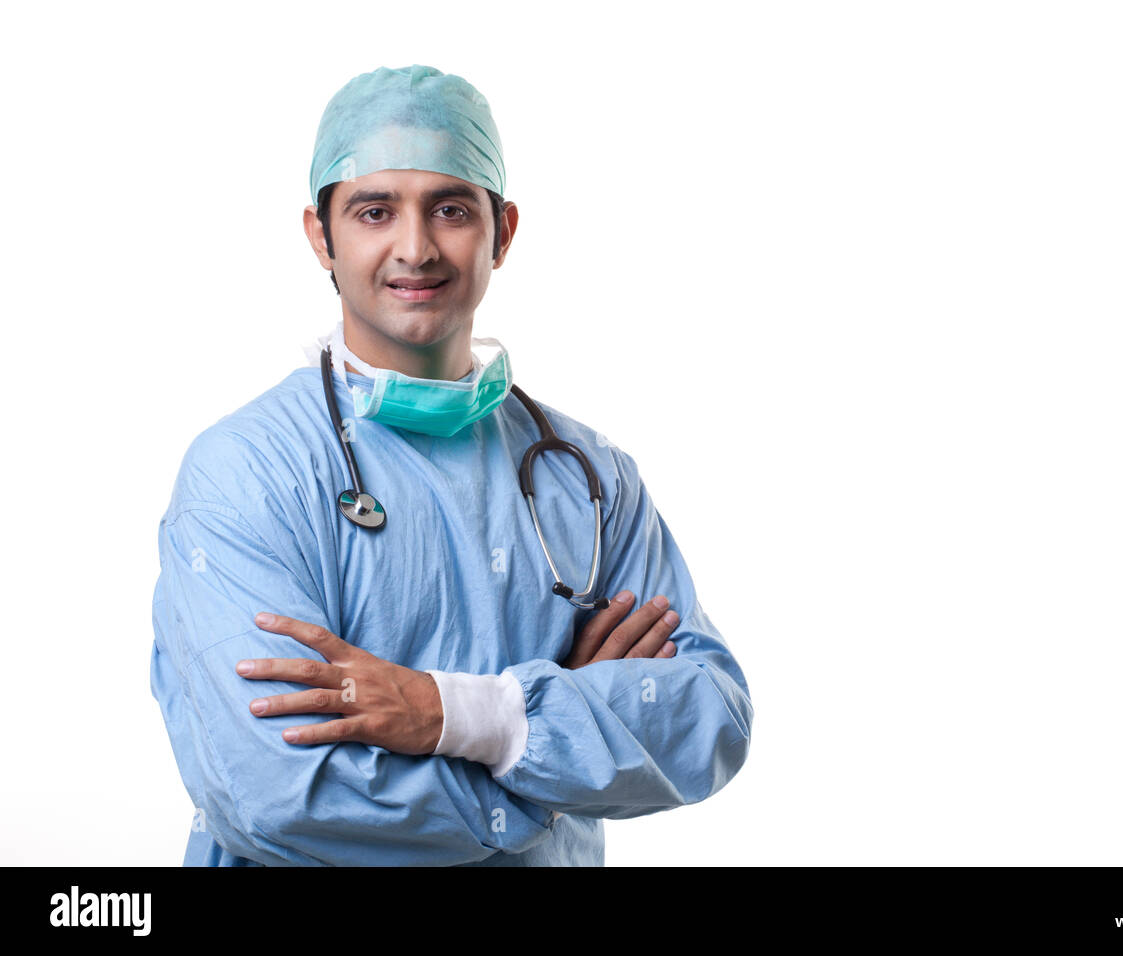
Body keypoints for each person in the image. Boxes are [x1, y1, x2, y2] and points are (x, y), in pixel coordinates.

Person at [149, 64, 754, 866]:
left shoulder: (590, 477)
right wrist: (552, 742)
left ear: (502, 231)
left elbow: (708, 718)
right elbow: (273, 794)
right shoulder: (246, 474)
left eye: (450, 209)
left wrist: (458, 714)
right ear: (320, 235)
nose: (415, 248)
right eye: (374, 211)